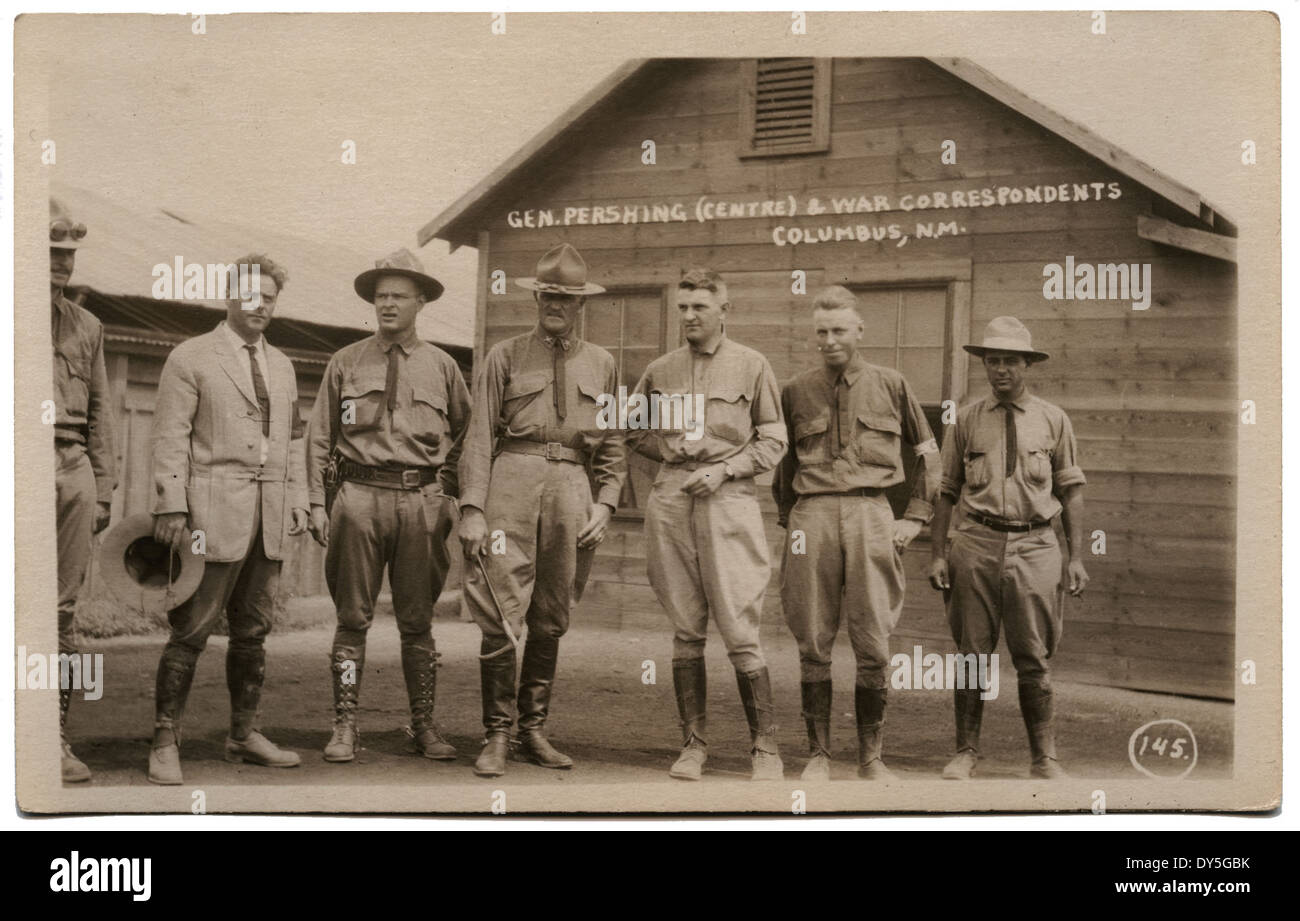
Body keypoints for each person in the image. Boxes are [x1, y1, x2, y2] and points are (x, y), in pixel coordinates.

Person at [457, 242, 626, 778]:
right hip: (511, 485)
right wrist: (472, 509)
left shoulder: (602, 363)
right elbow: (479, 436)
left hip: (572, 492)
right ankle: (498, 734)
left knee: (551, 615)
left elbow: (614, 441)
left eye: (567, 297)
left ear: (581, 304)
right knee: (500, 611)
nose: (557, 303)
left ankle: (532, 729)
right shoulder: (504, 356)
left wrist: (608, 499)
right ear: (537, 298)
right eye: (549, 294)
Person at [305, 249, 470, 764]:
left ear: (421, 301)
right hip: (358, 500)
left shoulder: (443, 367)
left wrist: (451, 498)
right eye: (381, 296)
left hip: (422, 502)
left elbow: (468, 437)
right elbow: (317, 437)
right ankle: (344, 724)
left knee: (417, 621)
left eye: (399, 295)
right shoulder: (346, 362)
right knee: (351, 619)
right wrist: (315, 501)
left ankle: (422, 724)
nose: (388, 304)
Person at [148, 254, 307, 784]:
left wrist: (300, 498)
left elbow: (295, 441)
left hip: (270, 514)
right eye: (251, 294)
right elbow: (170, 435)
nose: (261, 304)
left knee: (254, 631)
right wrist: (171, 502)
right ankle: (165, 738)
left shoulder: (282, 364)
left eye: (270, 297)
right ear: (229, 297)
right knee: (191, 629)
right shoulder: (192, 357)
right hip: (211, 512)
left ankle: (242, 734)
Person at [629, 267, 788, 782]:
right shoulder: (660, 369)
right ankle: (693, 745)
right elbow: (630, 428)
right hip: (672, 499)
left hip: (729, 498)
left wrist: (723, 469)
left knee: (741, 628)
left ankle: (765, 748)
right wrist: (671, 458)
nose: (690, 316)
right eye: (683, 307)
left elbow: (774, 440)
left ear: (725, 310)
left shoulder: (752, 365)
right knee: (685, 627)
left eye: (700, 306)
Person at [773, 286, 939, 781]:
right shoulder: (795, 390)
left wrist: (916, 516)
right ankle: (818, 756)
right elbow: (782, 465)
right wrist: (794, 521)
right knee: (812, 638)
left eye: (839, 330)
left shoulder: (892, 384)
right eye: (821, 332)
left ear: (860, 330)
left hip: (872, 514)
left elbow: (929, 454)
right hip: (813, 516)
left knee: (873, 640)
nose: (829, 340)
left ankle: (871, 757)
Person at [928, 316, 1089, 780]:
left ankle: (1044, 758)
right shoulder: (966, 419)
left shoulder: (1053, 419)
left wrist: (1075, 557)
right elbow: (946, 490)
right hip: (975, 542)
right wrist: (938, 553)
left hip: (1036, 544)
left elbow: (1071, 491)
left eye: (1011, 362)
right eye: (993, 361)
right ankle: (965, 751)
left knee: (1034, 655)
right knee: (972, 653)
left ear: (1027, 365)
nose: (1001, 370)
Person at [48, 198, 117, 783]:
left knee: (61, 612)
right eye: (50, 251)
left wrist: (101, 489)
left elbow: (100, 412)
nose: (62, 263)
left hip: (70, 466)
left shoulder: (87, 326)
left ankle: (56, 739)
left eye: (68, 253)